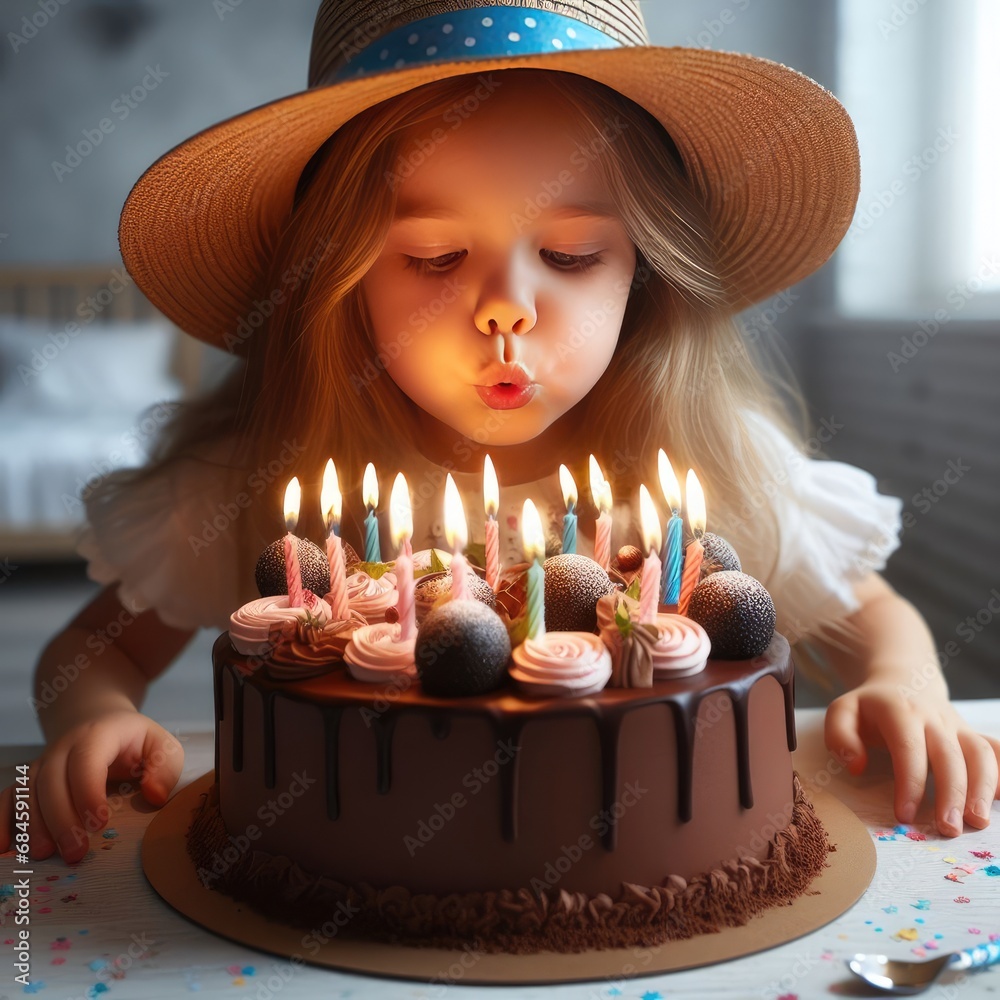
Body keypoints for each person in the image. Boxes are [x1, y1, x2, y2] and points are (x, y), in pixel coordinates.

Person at [2, 0, 997, 865]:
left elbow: (879, 620)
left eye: (568, 252)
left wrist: (904, 682)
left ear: (643, 274)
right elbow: (87, 653)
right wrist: (96, 716)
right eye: (434, 256)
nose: (503, 310)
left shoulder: (711, 457)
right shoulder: (254, 479)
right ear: (340, 282)